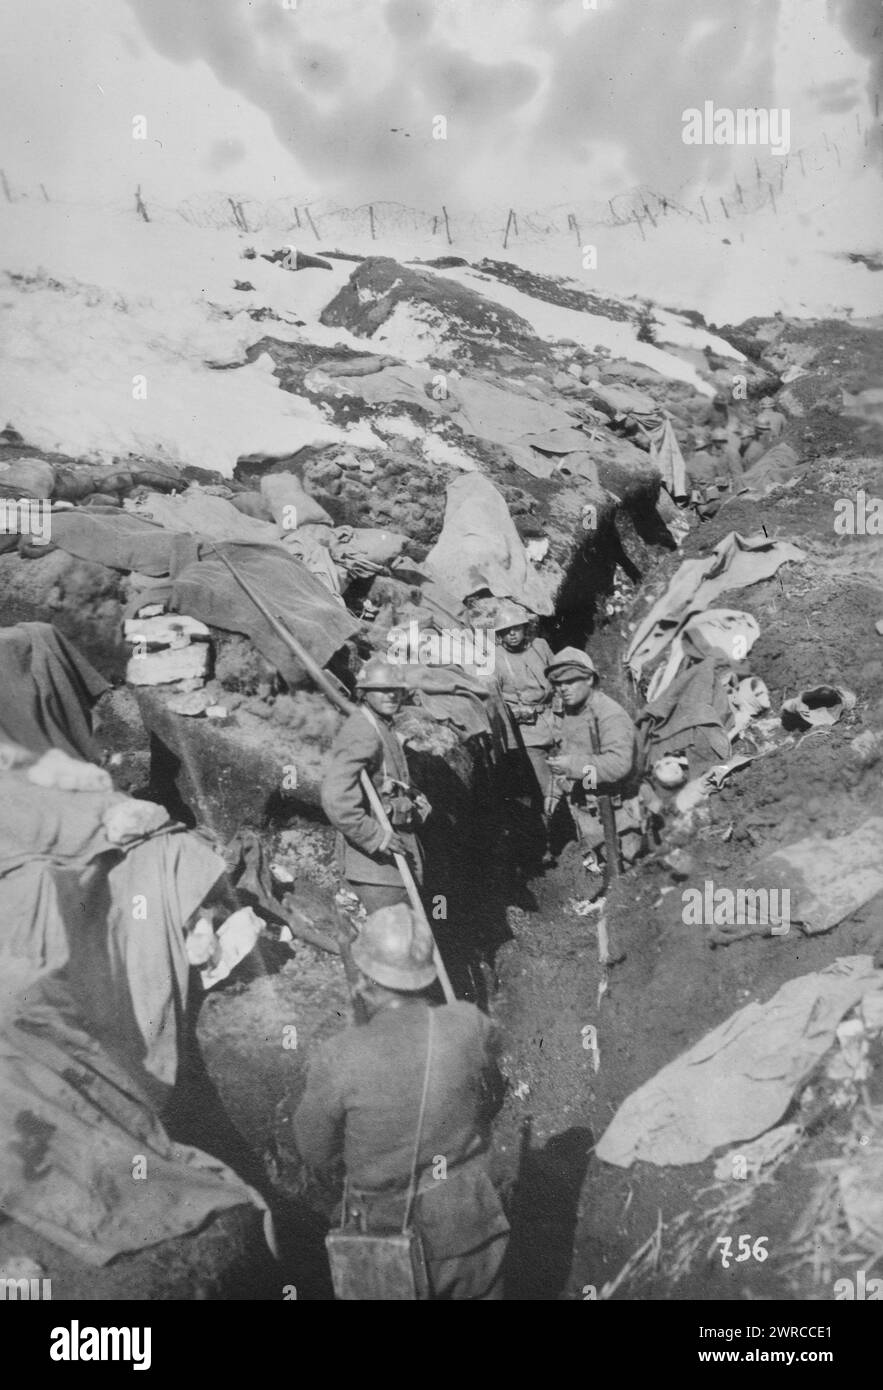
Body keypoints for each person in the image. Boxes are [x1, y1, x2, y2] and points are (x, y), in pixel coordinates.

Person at [293, 904, 510, 1300]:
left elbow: (315, 1153)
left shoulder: (339, 1053)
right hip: (468, 1224)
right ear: (426, 971)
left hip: (382, 1236)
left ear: (365, 976)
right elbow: (491, 1081)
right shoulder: (467, 1022)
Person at [320, 657, 429, 914]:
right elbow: (336, 799)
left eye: (396, 689)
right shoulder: (363, 730)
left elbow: (386, 780)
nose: (391, 695)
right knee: (389, 945)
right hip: (376, 871)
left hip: (393, 859)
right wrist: (375, 836)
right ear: (364, 693)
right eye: (382, 689)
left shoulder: (381, 726)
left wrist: (414, 798)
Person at [544, 647, 644, 869]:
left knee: (628, 865)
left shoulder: (609, 714)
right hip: (592, 804)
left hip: (618, 807)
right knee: (605, 860)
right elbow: (572, 751)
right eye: (558, 684)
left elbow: (618, 765)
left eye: (570, 682)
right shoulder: (573, 711)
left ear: (589, 678)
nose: (563, 689)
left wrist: (572, 767)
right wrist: (559, 786)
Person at [490, 601, 556, 805]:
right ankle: (557, 826)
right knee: (547, 789)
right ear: (500, 634)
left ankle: (588, 811)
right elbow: (494, 697)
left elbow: (559, 676)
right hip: (527, 734)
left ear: (525, 628)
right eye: (506, 630)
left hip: (555, 722)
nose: (512, 634)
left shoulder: (541, 647)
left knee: (580, 775)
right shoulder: (495, 658)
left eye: (516, 628)